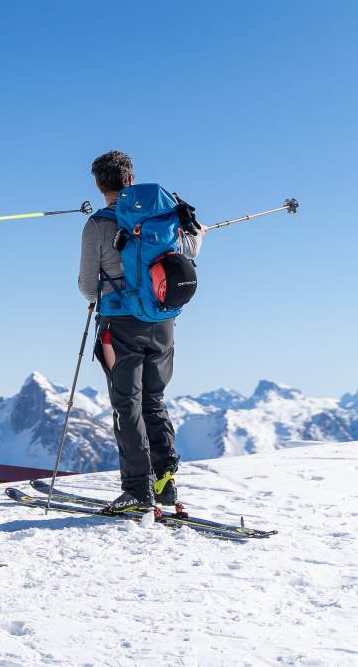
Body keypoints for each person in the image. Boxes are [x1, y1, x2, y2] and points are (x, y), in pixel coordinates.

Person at [78, 150, 203, 519]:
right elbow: (191, 248)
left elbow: (87, 286)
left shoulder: (99, 224)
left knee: (126, 404)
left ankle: (136, 490)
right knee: (154, 400)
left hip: (120, 325)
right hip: (163, 321)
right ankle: (166, 483)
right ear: (131, 179)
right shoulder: (165, 214)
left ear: (100, 184)